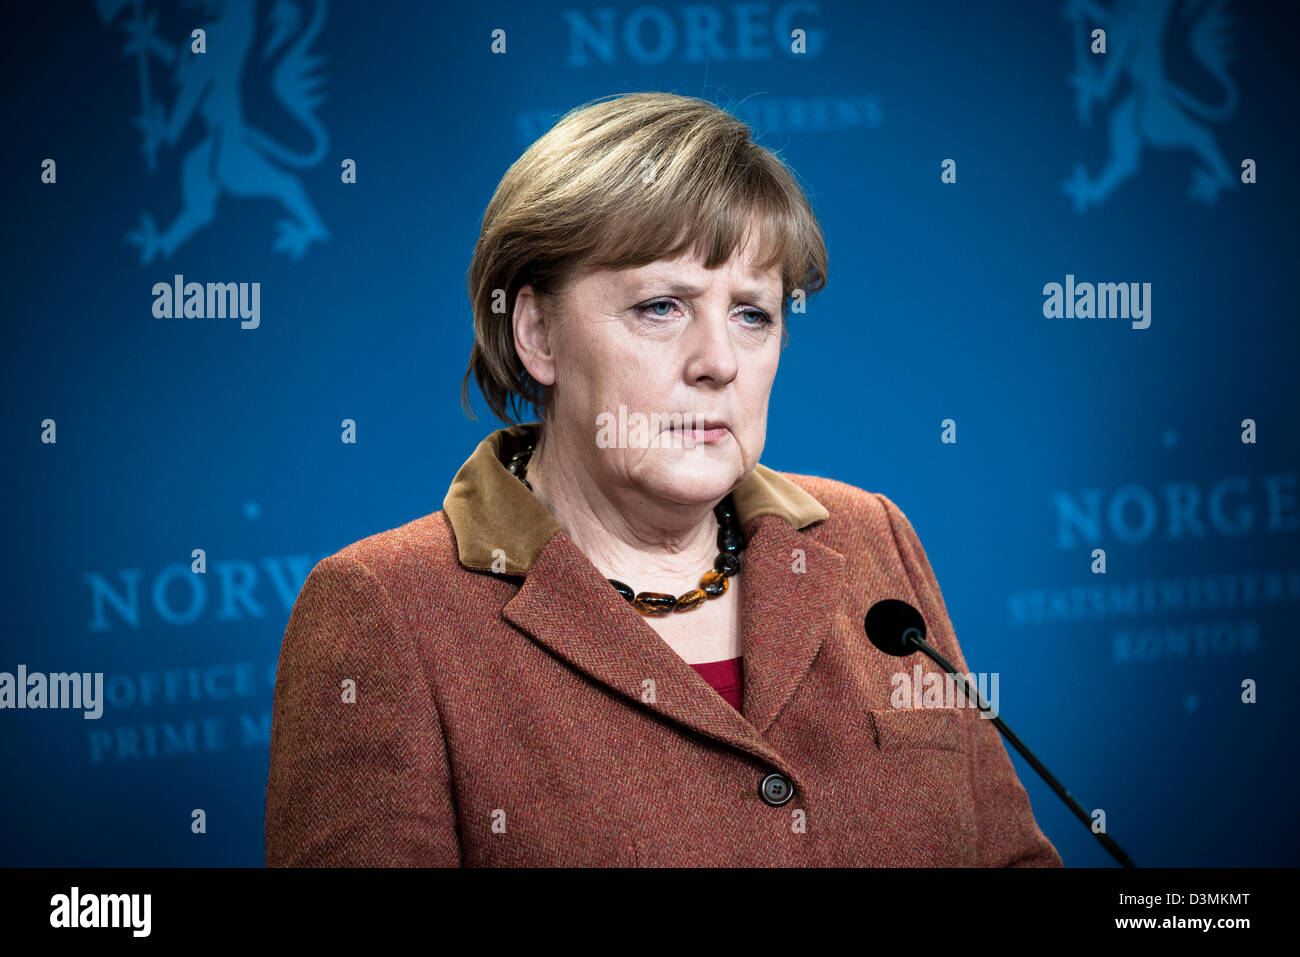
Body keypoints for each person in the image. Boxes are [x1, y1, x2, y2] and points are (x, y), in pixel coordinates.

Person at [265, 91, 1062, 867]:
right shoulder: (385, 611)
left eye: (753, 312)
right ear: (538, 333)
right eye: (660, 307)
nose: (719, 360)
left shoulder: (868, 537)